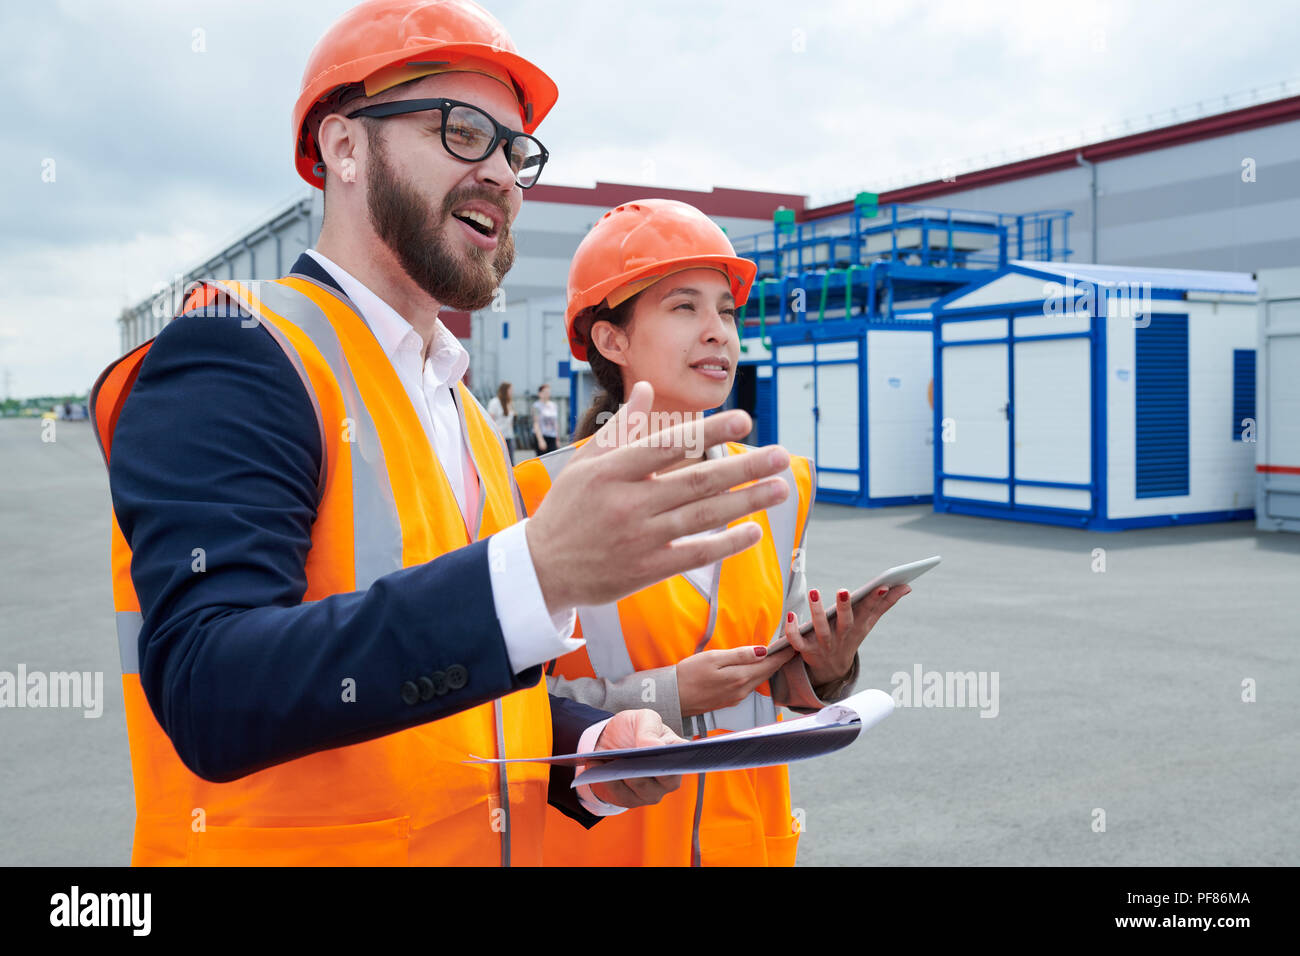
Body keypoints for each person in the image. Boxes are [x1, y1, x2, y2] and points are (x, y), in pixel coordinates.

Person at [88, 1, 796, 866]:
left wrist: (593, 751)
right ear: (345, 148)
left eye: (515, 150)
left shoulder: (460, 410)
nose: (501, 171)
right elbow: (209, 687)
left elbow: (470, 707)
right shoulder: (242, 352)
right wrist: (538, 572)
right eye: (463, 131)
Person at [515, 199, 911, 866]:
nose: (718, 332)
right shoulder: (533, 497)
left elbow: (771, 671)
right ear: (613, 340)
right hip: (607, 850)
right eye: (684, 308)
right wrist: (666, 695)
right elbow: (501, 710)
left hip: (747, 843)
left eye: (726, 310)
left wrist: (829, 668)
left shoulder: (780, 489)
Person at [487, 381, 516, 462]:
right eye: (510, 390)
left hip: (509, 436)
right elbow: (489, 420)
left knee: (510, 462)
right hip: (498, 436)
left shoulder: (509, 402)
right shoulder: (494, 402)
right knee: (499, 460)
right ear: (505, 390)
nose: (512, 392)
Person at [532, 382, 559, 452]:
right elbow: (536, 423)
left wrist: (557, 439)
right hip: (542, 435)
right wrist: (540, 440)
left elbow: (555, 423)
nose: (547, 394)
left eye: (548, 392)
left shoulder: (553, 405)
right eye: (545, 392)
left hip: (552, 436)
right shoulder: (536, 406)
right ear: (539, 393)